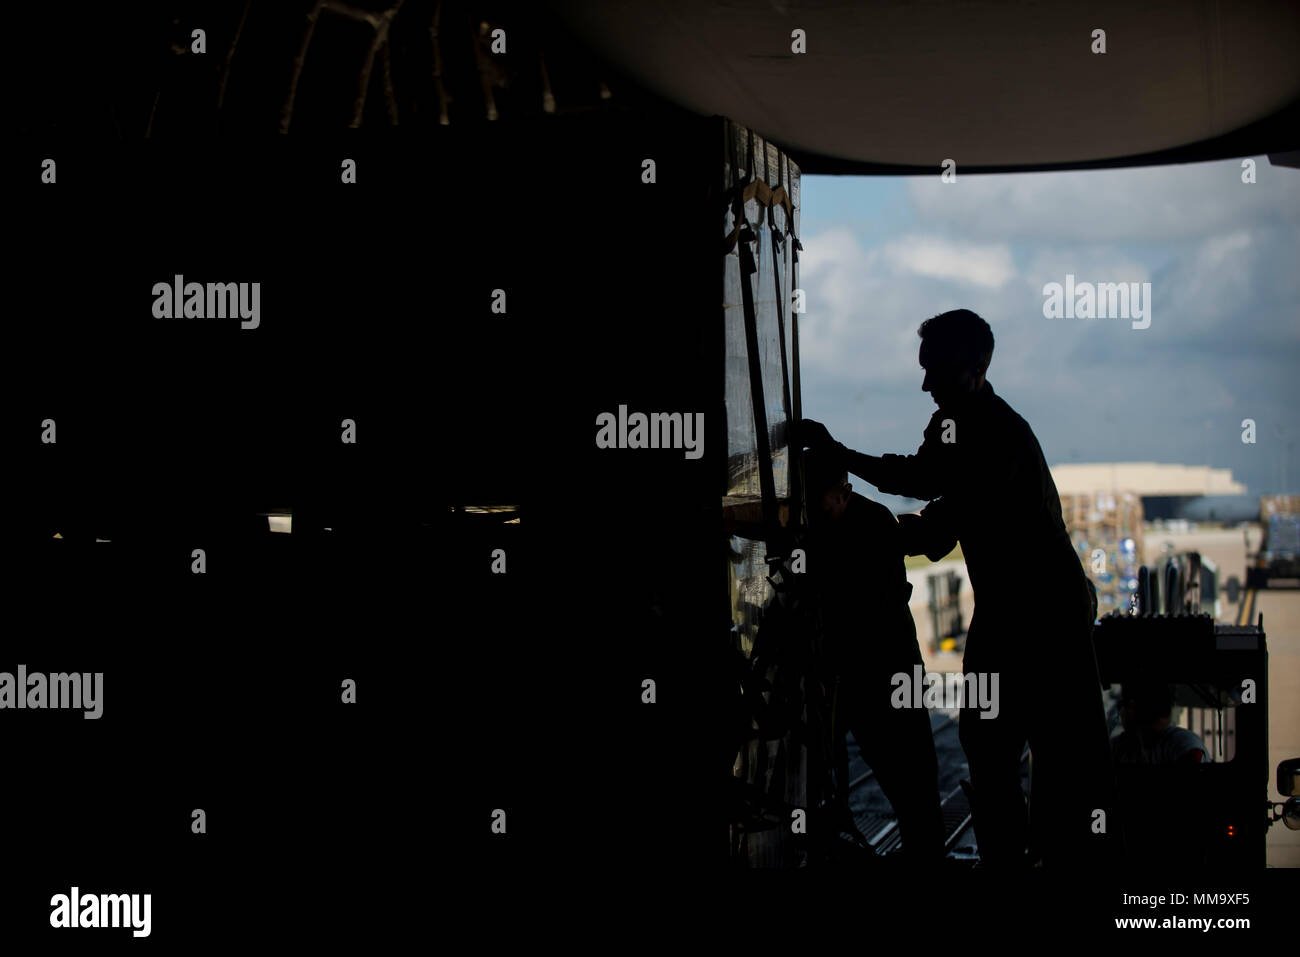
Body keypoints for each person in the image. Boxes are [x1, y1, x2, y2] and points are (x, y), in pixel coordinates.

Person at [801, 309, 1114, 870]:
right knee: (991, 742)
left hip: (1045, 616)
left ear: (976, 366)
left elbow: (933, 502)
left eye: (936, 371)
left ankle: (1038, 859)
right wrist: (862, 495)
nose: (926, 385)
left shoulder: (998, 434)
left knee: (1051, 753)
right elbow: (932, 498)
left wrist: (848, 480)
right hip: (1009, 611)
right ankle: (1013, 858)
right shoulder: (956, 424)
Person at [803, 446, 946, 864]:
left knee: (911, 777)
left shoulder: (872, 526)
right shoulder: (848, 522)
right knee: (907, 776)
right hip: (871, 667)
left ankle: (925, 857)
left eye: (819, 503)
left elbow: (860, 612)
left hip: (884, 666)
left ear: (844, 493)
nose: (812, 514)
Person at [1111, 679, 1211, 765]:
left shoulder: (1181, 742)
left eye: (1120, 705)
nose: (1120, 713)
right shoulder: (1121, 746)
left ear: (1131, 708)